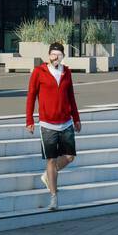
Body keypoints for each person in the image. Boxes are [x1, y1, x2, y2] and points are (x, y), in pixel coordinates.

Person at [25, 41, 82, 210]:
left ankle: (48, 176)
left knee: (70, 156)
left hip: (66, 122)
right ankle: (54, 197)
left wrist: (76, 118)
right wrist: (29, 120)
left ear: (63, 56)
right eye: (53, 54)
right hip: (47, 123)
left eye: (59, 55)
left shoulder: (67, 73)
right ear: (48, 55)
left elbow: (71, 96)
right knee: (50, 160)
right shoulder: (39, 72)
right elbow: (31, 96)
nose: (56, 57)